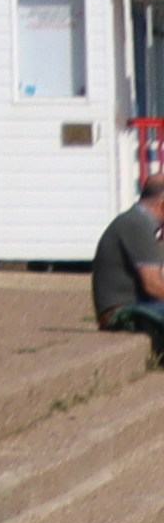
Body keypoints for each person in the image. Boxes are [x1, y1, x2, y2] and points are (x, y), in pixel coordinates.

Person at [92, 142, 164, 365]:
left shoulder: (142, 225)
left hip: (140, 306)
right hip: (121, 312)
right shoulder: (137, 225)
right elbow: (153, 285)